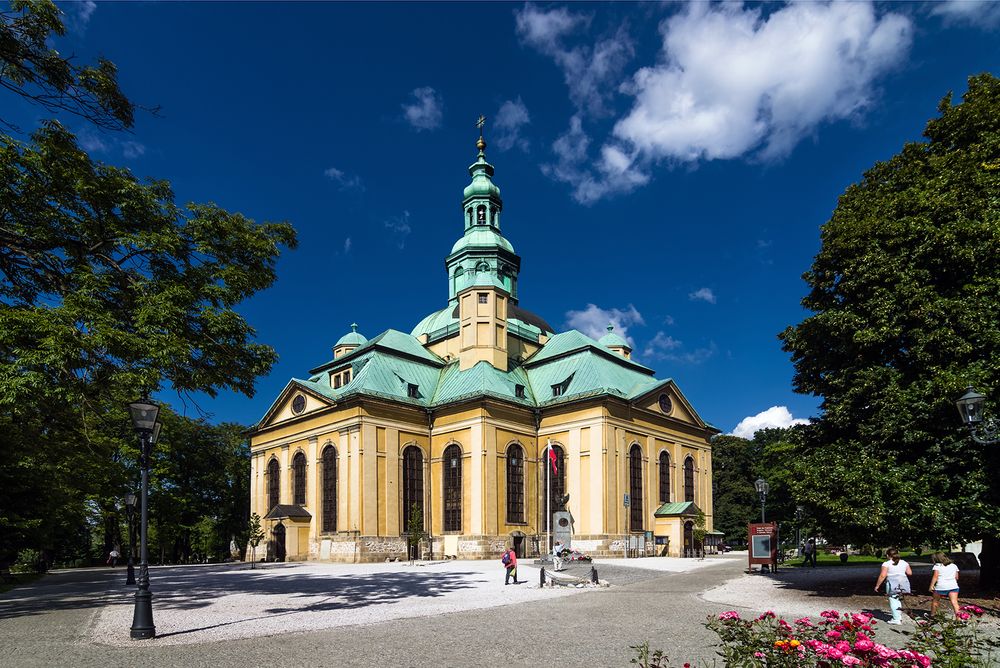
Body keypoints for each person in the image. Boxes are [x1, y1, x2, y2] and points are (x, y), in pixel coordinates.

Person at [874, 547, 912, 625]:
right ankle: (898, 616)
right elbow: (909, 573)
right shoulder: (904, 562)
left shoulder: (886, 564)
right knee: (898, 599)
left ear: (888, 555)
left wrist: (877, 586)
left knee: (893, 599)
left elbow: (882, 575)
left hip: (892, 582)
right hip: (903, 582)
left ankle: (896, 619)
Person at [929, 552, 961, 616]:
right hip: (953, 586)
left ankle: (932, 615)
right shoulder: (954, 565)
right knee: (954, 602)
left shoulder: (937, 566)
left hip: (940, 586)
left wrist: (931, 586)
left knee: (935, 601)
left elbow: (935, 576)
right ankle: (959, 619)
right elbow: (956, 577)